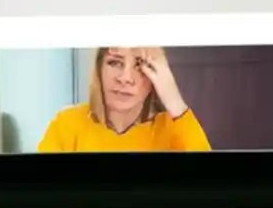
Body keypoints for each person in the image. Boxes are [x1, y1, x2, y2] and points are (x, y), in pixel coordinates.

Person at [37, 46, 211, 153]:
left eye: (139, 65)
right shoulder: (66, 124)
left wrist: (173, 99)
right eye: (115, 63)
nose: (125, 78)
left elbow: (210, 186)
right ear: (99, 69)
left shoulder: (171, 130)